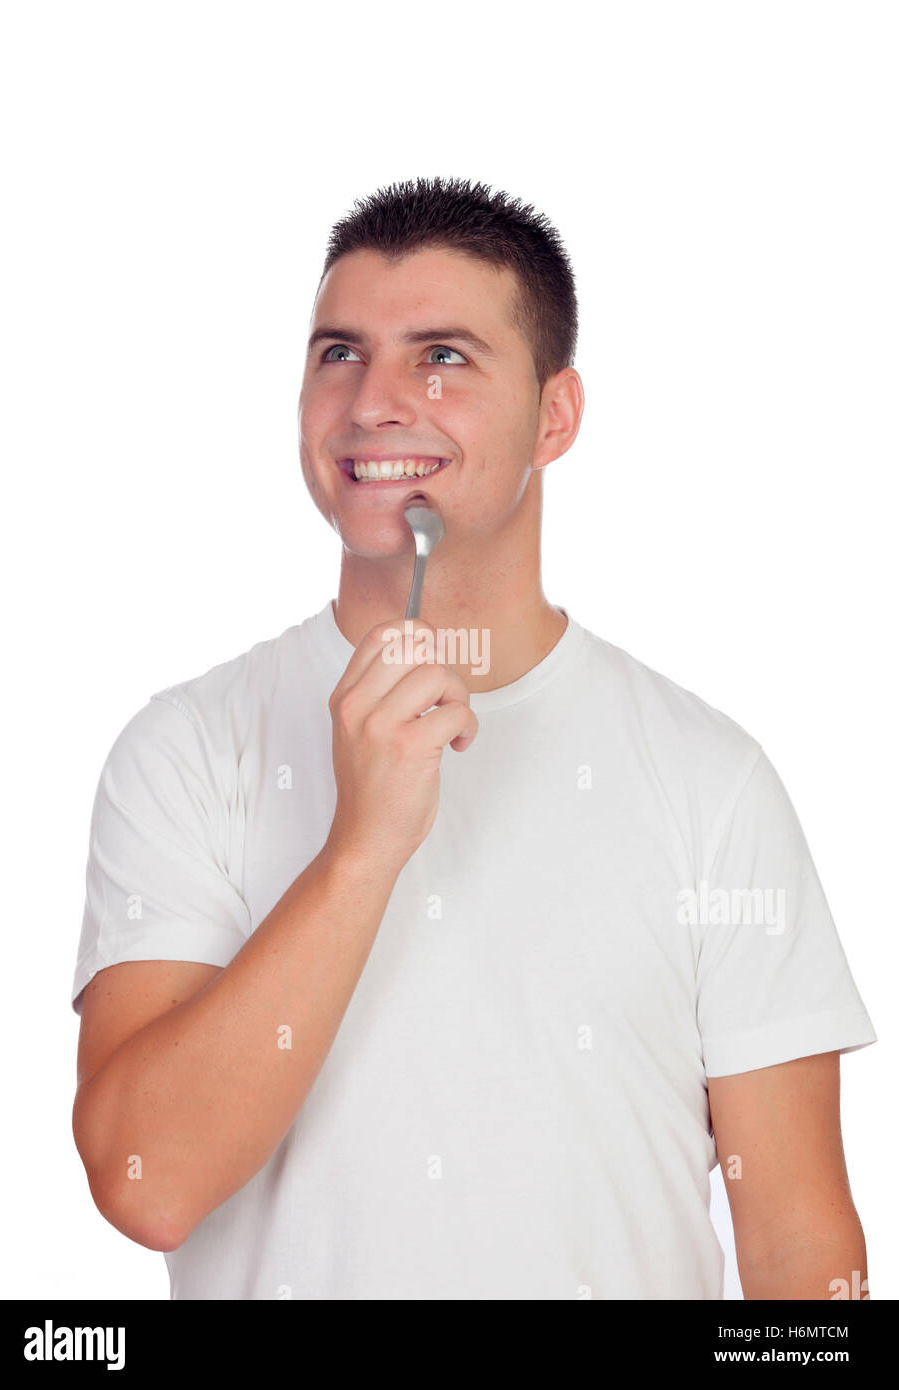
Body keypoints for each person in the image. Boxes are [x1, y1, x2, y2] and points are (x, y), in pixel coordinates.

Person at [71, 175, 876, 1300]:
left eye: (440, 357)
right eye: (338, 353)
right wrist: (361, 850)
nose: (372, 402)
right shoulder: (187, 752)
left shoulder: (711, 781)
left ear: (556, 415)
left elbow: (799, 1251)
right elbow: (143, 1180)